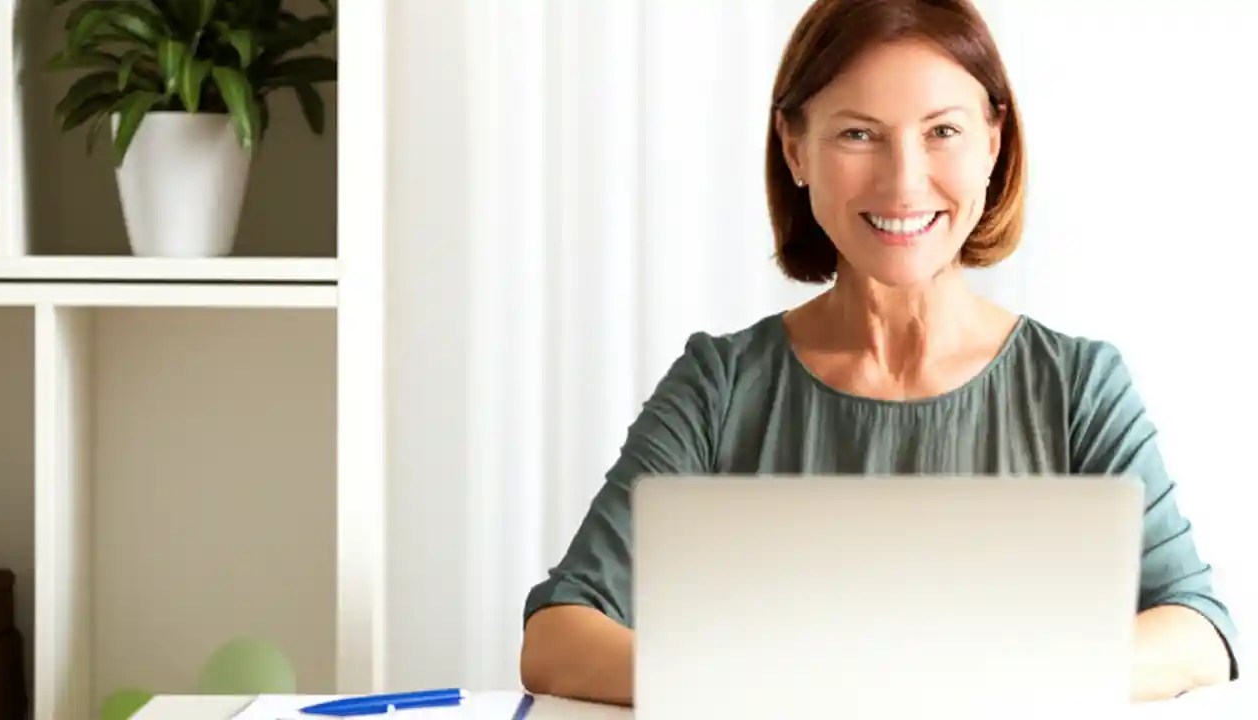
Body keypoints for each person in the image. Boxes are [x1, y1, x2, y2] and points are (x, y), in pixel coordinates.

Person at [519, 0, 1240, 706]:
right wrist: (797, 690)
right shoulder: (722, 385)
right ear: (795, 149)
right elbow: (557, 636)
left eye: (942, 131)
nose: (903, 182)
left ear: (993, 142)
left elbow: (1196, 630)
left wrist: (977, 685)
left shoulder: (1077, 385)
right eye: (858, 134)